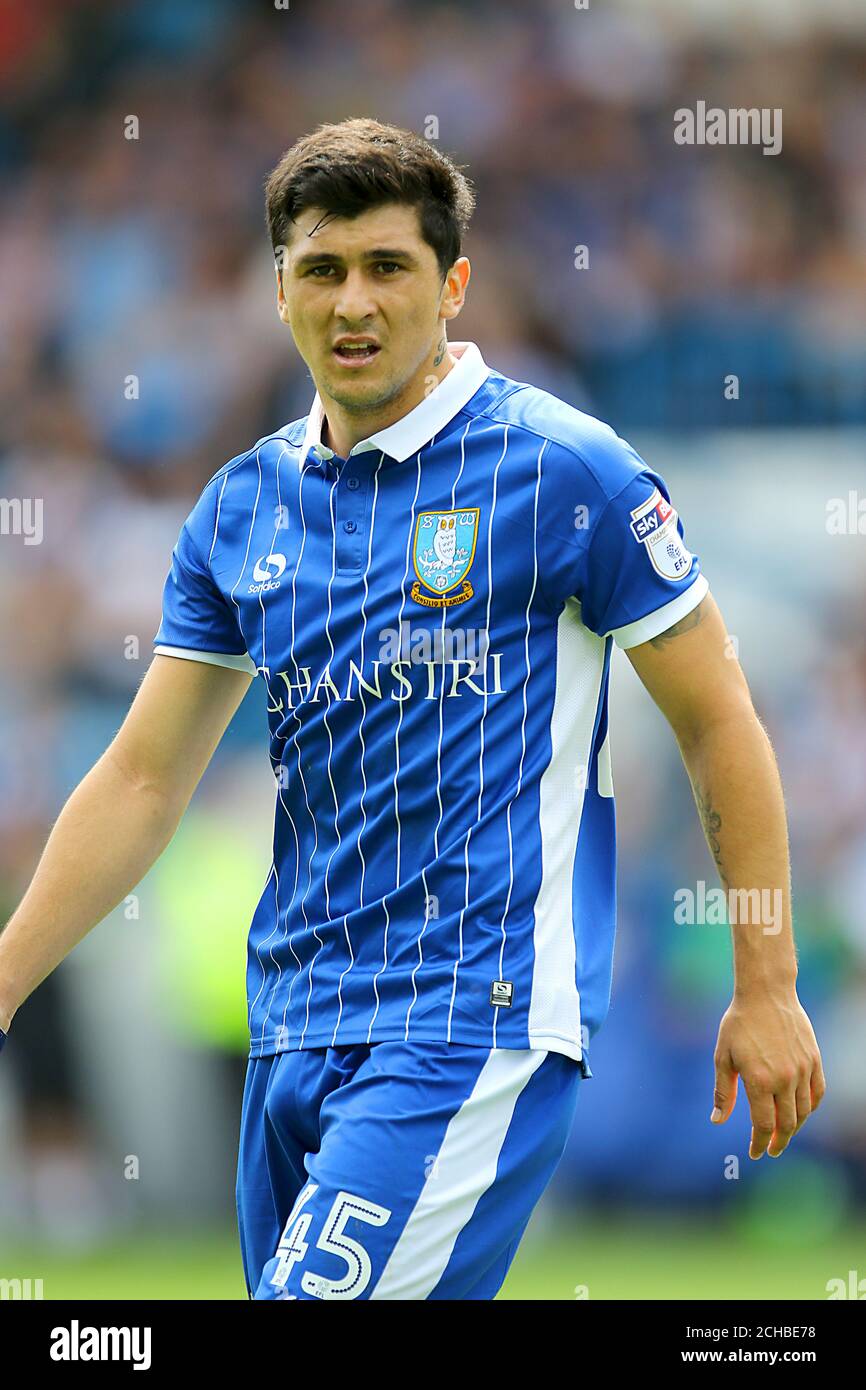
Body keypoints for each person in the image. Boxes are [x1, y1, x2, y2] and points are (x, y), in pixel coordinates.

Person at [0, 118, 825, 1301]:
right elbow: (142, 777)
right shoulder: (244, 504)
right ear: (276, 288)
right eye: (321, 269)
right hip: (291, 1022)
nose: (353, 303)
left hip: (470, 1018)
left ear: (452, 285)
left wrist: (765, 981)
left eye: (388, 268)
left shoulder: (564, 471)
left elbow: (717, 719)